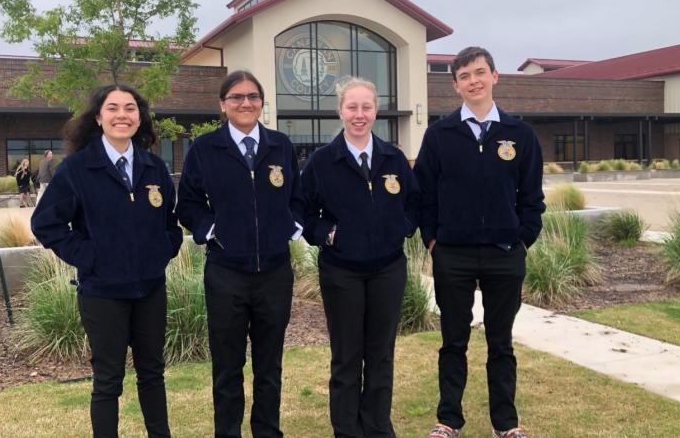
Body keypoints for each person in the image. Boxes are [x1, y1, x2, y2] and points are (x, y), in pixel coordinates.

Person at [31, 84, 182, 438]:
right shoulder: (78, 169)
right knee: (108, 379)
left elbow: (170, 224)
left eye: (130, 108)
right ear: (98, 118)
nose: (122, 115)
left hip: (149, 290)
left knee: (152, 374)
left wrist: (162, 250)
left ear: (139, 117)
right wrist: (91, 257)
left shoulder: (153, 167)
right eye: (112, 108)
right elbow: (46, 223)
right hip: (102, 292)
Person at [413, 47, 545, 438]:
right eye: (465, 75)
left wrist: (521, 240)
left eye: (480, 72)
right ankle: (448, 420)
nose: (474, 81)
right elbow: (424, 196)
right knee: (453, 341)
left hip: (506, 254)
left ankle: (506, 424)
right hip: (452, 254)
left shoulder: (519, 135)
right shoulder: (439, 135)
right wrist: (434, 241)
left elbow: (532, 198)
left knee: (500, 343)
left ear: (494, 76)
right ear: (455, 85)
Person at [176, 70, 304, 438]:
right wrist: (214, 230)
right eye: (236, 97)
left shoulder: (280, 145)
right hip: (226, 273)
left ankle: (268, 432)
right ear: (223, 105)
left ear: (261, 102)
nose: (245, 103)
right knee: (228, 366)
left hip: (275, 273)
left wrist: (290, 226)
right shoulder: (205, 149)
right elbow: (188, 204)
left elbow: (297, 197)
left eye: (252, 96)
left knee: (269, 365)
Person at [301, 77, 420, 438]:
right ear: (340, 111)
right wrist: (328, 235)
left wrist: (402, 227)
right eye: (352, 107)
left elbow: (414, 203)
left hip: (387, 269)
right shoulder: (322, 162)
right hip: (342, 273)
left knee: (381, 354)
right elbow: (304, 213)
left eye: (366, 107)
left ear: (376, 111)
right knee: (347, 357)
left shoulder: (393, 157)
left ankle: (378, 427)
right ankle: (347, 430)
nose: (359, 114)